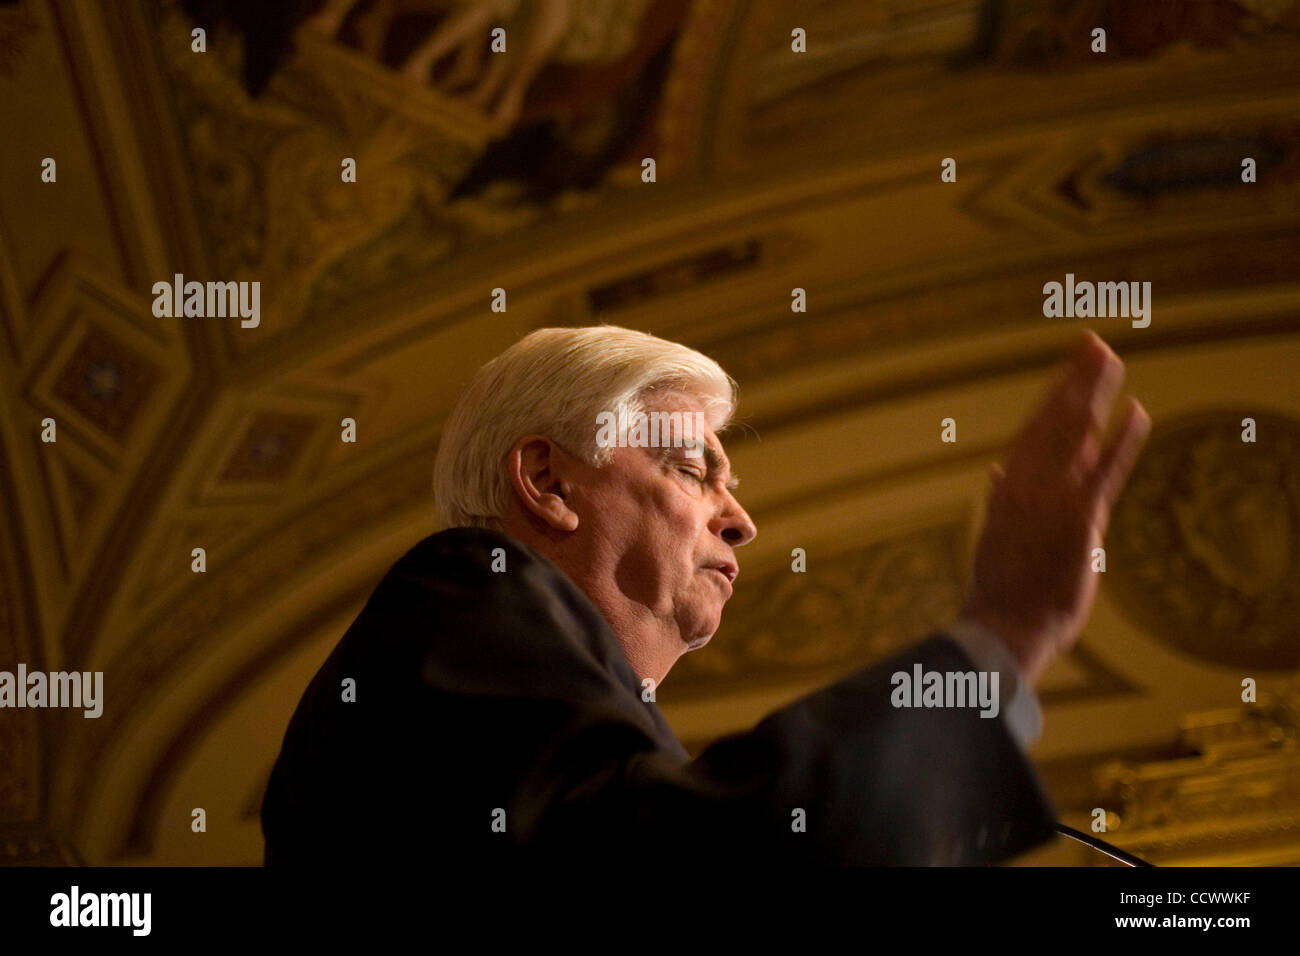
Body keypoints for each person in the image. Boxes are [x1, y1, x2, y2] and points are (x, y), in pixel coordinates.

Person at [260, 325, 1150, 865]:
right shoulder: (465, 583)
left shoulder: (591, 758)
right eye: (693, 469)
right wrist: (1005, 634)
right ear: (546, 480)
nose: (742, 521)